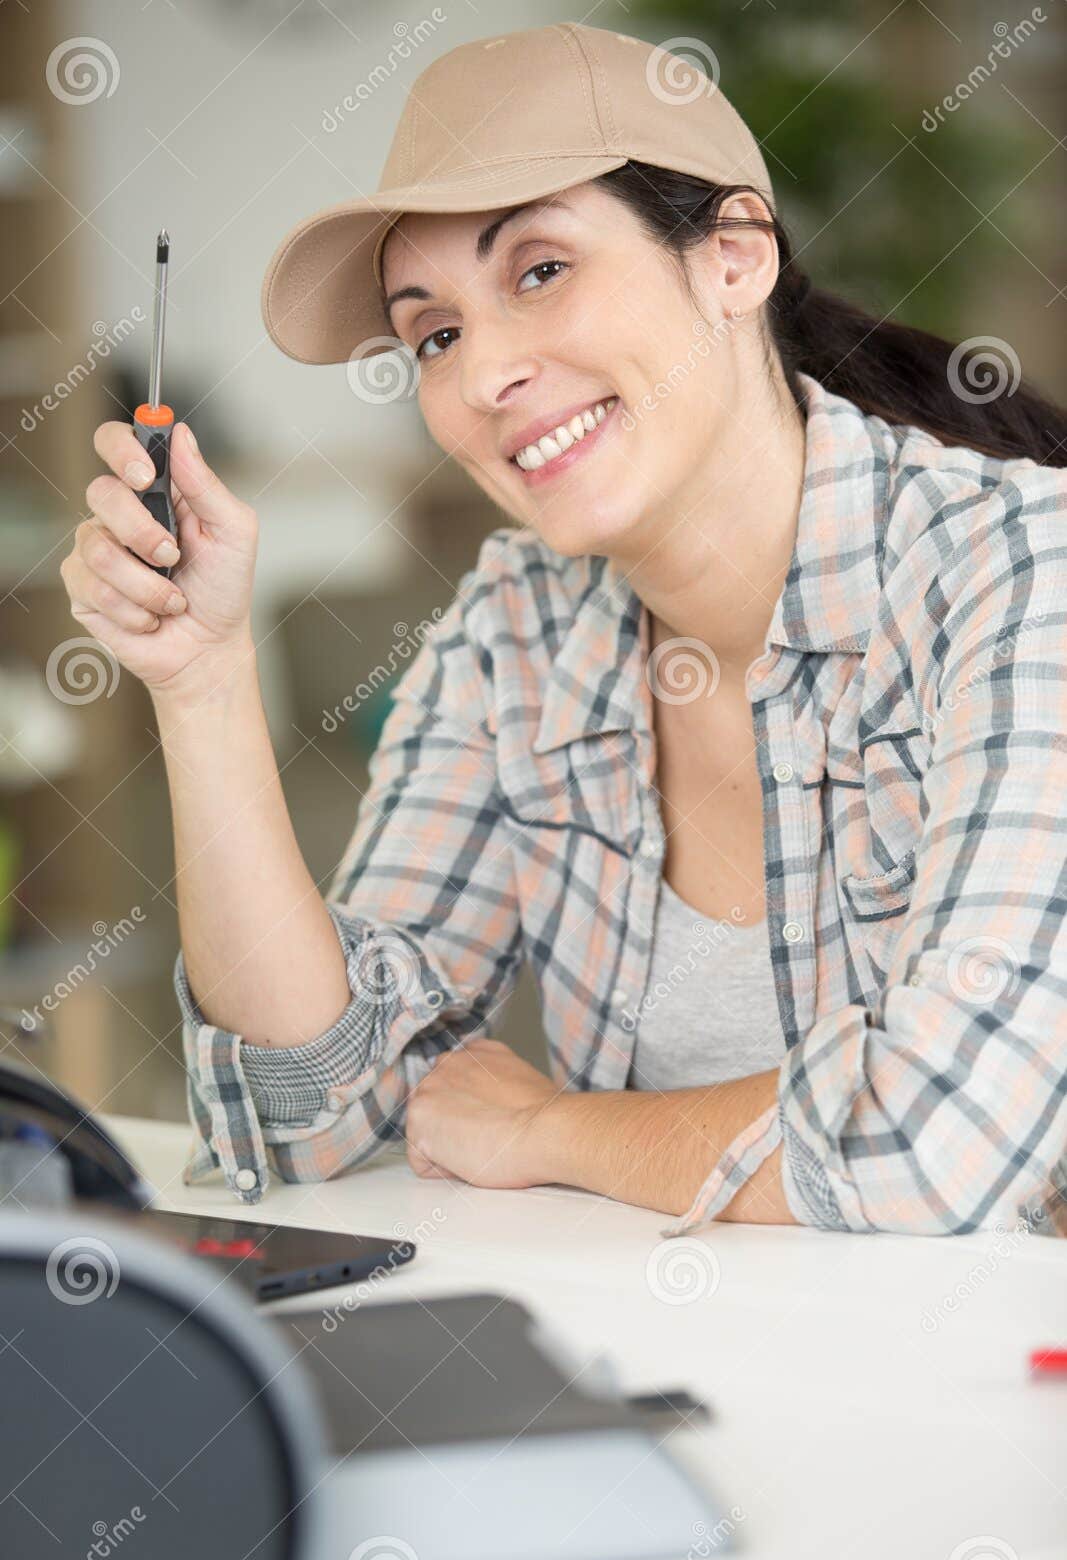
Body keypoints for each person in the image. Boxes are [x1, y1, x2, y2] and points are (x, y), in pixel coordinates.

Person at [60, 24, 1067, 1235]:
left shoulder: (1015, 570)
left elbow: (941, 1152)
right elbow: (315, 1119)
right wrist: (204, 681)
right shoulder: (515, 631)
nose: (482, 373)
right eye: (432, 332)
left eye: (538, 271)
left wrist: (546, 1130)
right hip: (676, 1358)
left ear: (732, 258)